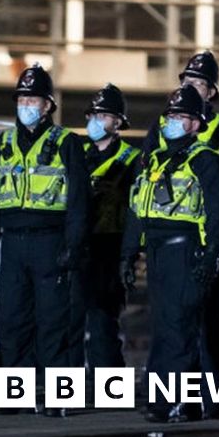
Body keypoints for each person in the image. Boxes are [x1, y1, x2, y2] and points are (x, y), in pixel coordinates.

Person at [143, 50, 219, 419]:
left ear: (212, 92)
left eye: (199, 83)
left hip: (211, 242)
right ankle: (187, 400)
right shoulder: (163, 127)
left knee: (211, 323)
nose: (192, 87)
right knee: (176, 323)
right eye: (187, 81)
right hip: (172, 244)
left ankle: (215, 399)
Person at [0, 65, 90, 418]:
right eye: (22, 99)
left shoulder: (67, 143)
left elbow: (79, 201)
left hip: (51, 243)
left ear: (48, 105)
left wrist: (73, 245)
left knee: (54, 323)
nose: (26, 105)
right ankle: (16, 397)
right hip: (13, 245)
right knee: (11, 323)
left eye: (33, 99)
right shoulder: (3, 144)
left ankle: (60, 398)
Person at [121, 84, 219, 423]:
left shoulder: (206, 161)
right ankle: (188, 402)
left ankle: (165, 402)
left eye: (180, 117)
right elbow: (137, 210)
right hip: (158, 253)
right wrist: (129, 254)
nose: (171, 122)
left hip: (187, 252)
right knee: (166, 327)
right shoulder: (153, 160)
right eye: (170, 115)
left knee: (178, 328)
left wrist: (211, 255)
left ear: (195, 124)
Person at [69, 83, 140, 370]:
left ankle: (110, 386)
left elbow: (137, 209)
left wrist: (130, 255)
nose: (95, 121)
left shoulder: (132, 160)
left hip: (110, 248)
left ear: (118, 122)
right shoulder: (77, 154)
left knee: (103, 323)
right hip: (77, 246)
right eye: (92, 115)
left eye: (103, 116)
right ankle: (68, 388)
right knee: (68, 322)